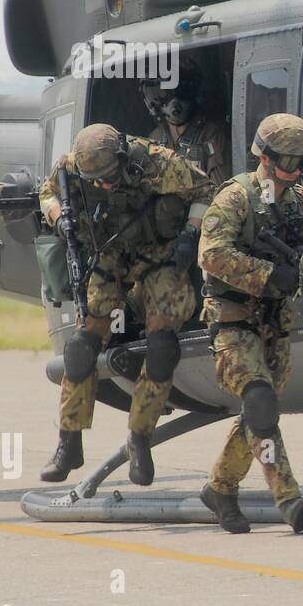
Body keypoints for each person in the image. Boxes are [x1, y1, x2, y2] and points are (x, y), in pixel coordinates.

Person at [37, 124, 211, 484]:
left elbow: (206, 190)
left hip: (159, 254)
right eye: (94, 180)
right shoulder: (71, 167)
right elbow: (47, 192)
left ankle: (140, 436)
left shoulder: (160, 164)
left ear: (121, 159)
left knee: (162, 344)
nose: (102, 185)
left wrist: (191, 233)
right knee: (82, 346)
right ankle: (69, 442)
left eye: (107, 177)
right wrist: (59, 216)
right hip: (110, 252)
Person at [196, 114, 303, 534]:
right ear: (264, 157)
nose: (293, 171)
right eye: (285, 160)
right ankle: (289, 498)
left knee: (259, 415)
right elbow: (212, 254)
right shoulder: (234, 198)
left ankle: (220, 488)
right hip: (233, 319)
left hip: (275, 323)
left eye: (300, 161)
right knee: (260, 402)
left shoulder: (302, 202)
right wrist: (270, 275)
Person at [141, 65, 230, 188]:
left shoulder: (211, 134)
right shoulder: (156, 138)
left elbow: (221, 188)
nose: (174, 102)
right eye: (164, 94)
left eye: (181, 92)